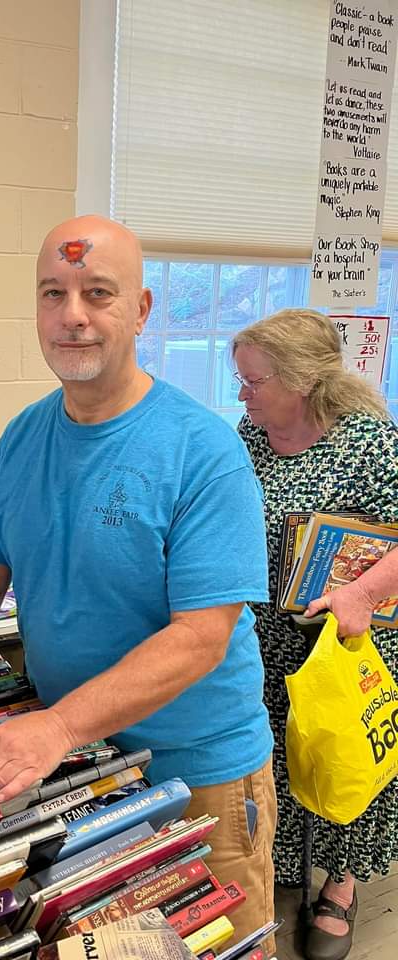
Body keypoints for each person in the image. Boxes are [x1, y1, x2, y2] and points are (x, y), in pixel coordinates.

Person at [0, 214, 277, 945]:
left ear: (142, 309)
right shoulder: (24, 435)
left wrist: (60, 727)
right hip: (80, 766)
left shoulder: (204, 450)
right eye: (52, 293)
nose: (72, 316)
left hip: (197, 776)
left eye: (98, 292)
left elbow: (200, 638)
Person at [233, 307, 398, 960]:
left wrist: (360, 592)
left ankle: (343, 886)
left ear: (300, 381)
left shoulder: (367, 440)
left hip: (346, 636)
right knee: (276, 750)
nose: (243, 393)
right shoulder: (249, 435)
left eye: (253, 380)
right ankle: (283, 861)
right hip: (267, 634)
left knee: (339, 758)